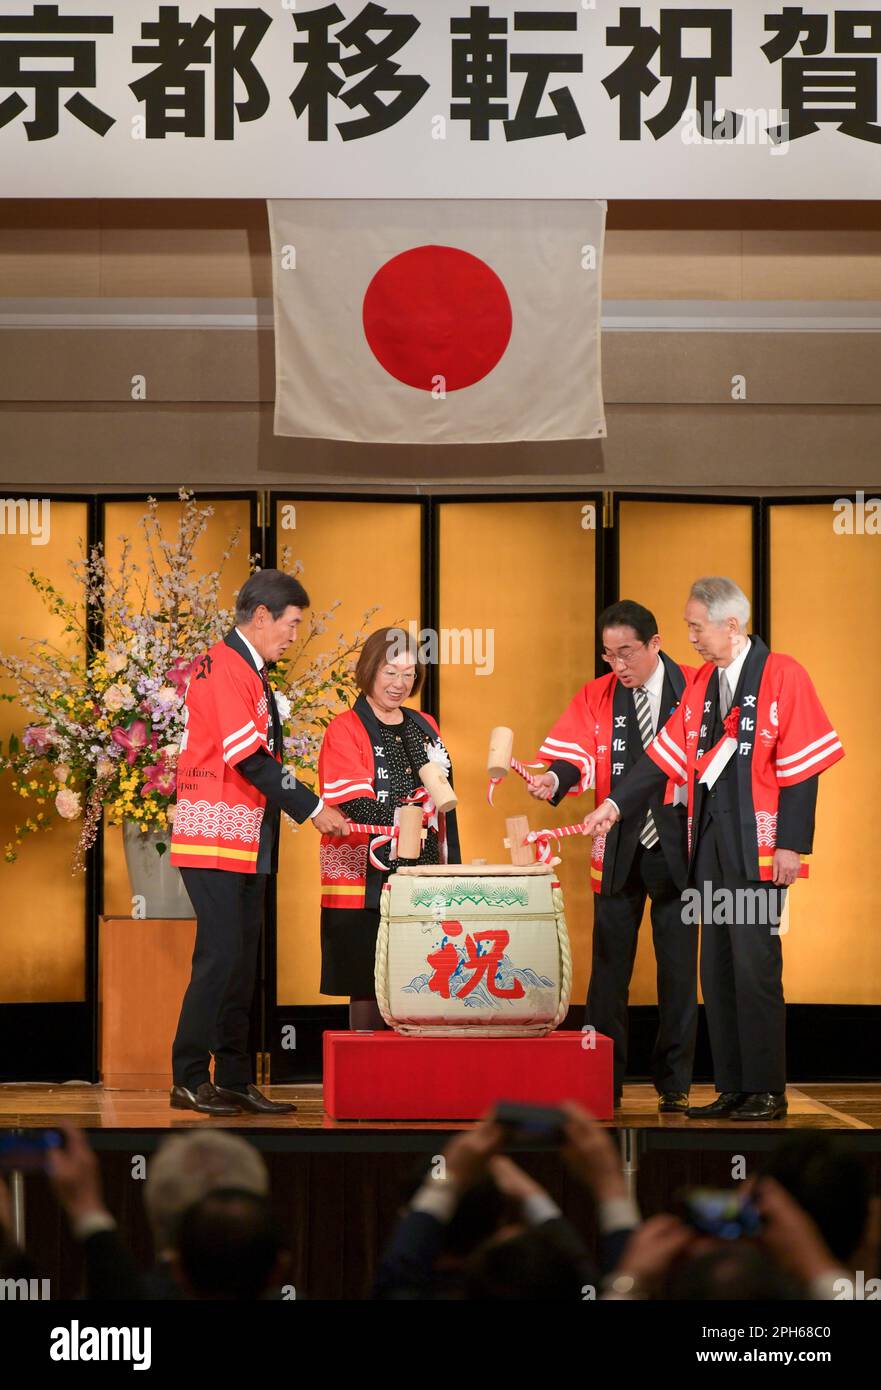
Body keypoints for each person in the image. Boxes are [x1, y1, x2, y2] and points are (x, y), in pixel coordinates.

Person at [584, 577, 844, 1120]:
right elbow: (663, 756)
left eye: (696, 627)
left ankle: (766, 1088)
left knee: (754, 965)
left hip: (758, 848)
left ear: (731, 624)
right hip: (708, 846)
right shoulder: (704, 682)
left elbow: (804, 770)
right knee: (718, 969)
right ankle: (731, 1087)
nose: (692, 637)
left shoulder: (782, 674)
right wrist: (614, 806)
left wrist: (794, 846)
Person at [169, 570, 349, 1116]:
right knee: (219, 957)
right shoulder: (226, 666)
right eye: (292, 623)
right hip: (215, 830)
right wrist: (314, 806)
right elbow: (249, 757)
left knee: (243, 960)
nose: (295, 635)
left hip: (246, 832)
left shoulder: (247, 667)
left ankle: (235, 1076)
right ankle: (188, 1075)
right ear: (263, 615)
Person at [530, 600, 695, 1112]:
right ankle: (602, 1079)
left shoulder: (694, 688)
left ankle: (675, 1084)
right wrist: (552, 778)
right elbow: (572, 754)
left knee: (678, 970)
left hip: (678, 847)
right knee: (608, 970)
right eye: (609, 655)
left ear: (655, 644)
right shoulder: (597, 694)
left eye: (627, 653)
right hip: (620, 846)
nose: (617, 666)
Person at [317, 627, 460, 1030]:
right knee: (366, 976)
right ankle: (364, 1077)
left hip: (422, 870)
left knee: (422, 970)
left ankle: (412, 1077)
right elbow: (355, 803)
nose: (400, 684)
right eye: (390, 672)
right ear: (369, 670)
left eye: (409, 674)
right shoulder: (344, 728)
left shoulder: (424, 723)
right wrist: (413, 812)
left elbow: (444, 792)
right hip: (364, 871)